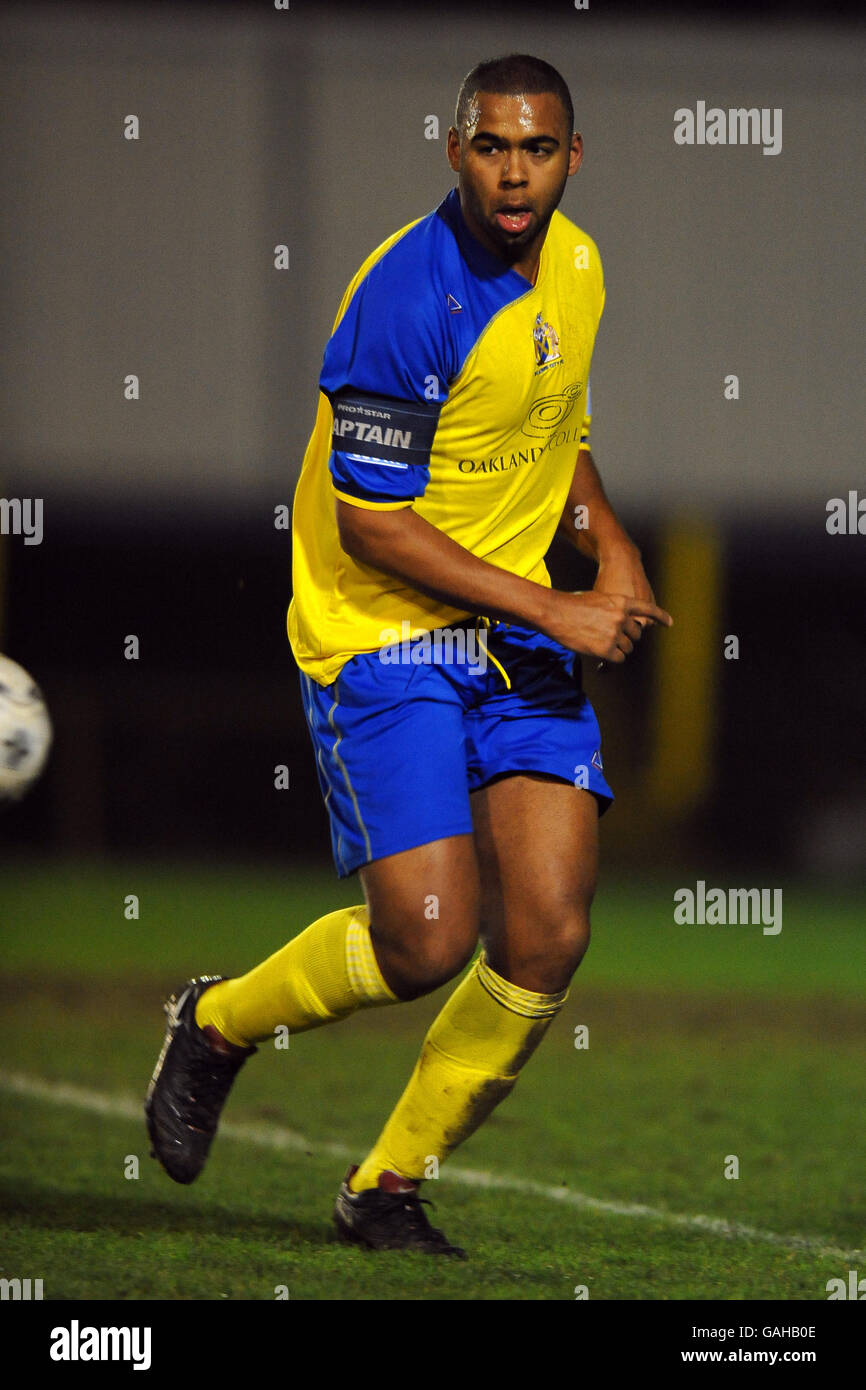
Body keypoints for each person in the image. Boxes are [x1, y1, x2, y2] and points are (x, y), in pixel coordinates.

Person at [145, 53, 671, 1259]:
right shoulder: (405, 295)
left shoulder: (580, 266)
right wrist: (555, 610)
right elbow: (371, 521)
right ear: (454, 148)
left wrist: (615, 551)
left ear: (571, 159)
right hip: (381, 627)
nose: (514, 171)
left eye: (537, 149)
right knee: (426, 938)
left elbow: (555, 433)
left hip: (512, 629)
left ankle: (384, 1189)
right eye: (492, 146)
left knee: (545, 931)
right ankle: (217, 1022)